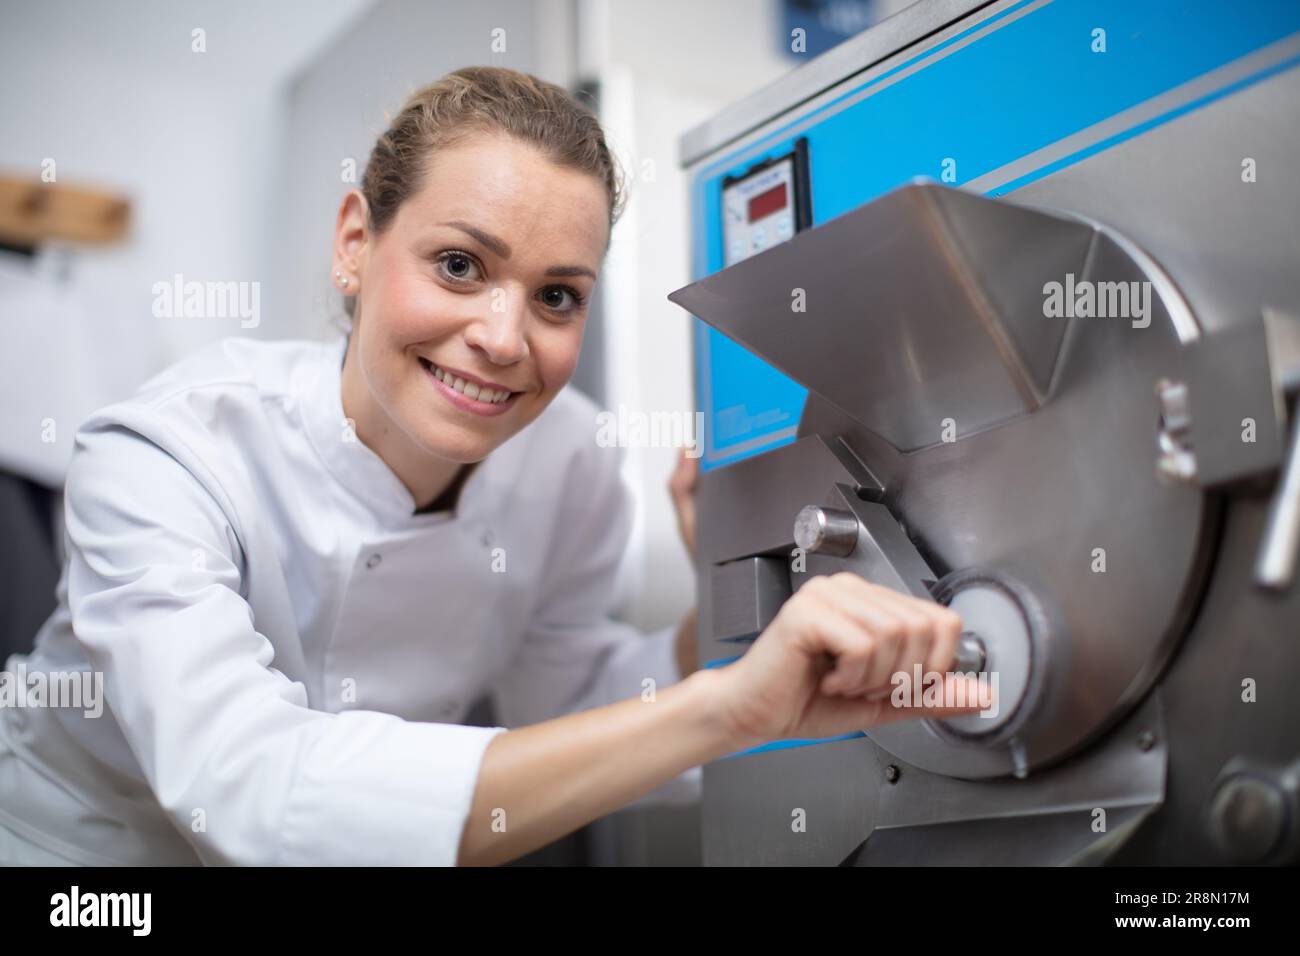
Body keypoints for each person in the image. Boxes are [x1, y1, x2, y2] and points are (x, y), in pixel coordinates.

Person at [0, 66, 977, 867]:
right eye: (460, 265)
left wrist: (726, 605)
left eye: (556, 295)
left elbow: (574, 708)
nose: (504, 338)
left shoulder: (573, 467)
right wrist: (722, 704)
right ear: (355, 242)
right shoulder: (168, 452)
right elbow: (248, 785)